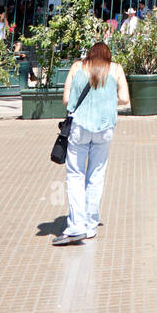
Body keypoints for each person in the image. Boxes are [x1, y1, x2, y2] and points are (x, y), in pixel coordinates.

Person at [53, 42, 129, 246]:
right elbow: (124, 98)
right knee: (96, 175)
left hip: (79, 128)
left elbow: (67, 99)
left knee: (75, 175)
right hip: (104, 129)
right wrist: (107, 98)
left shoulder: (77, 67)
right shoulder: (116, 68)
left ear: (89, 54)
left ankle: (76, 225)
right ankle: (90, 225)